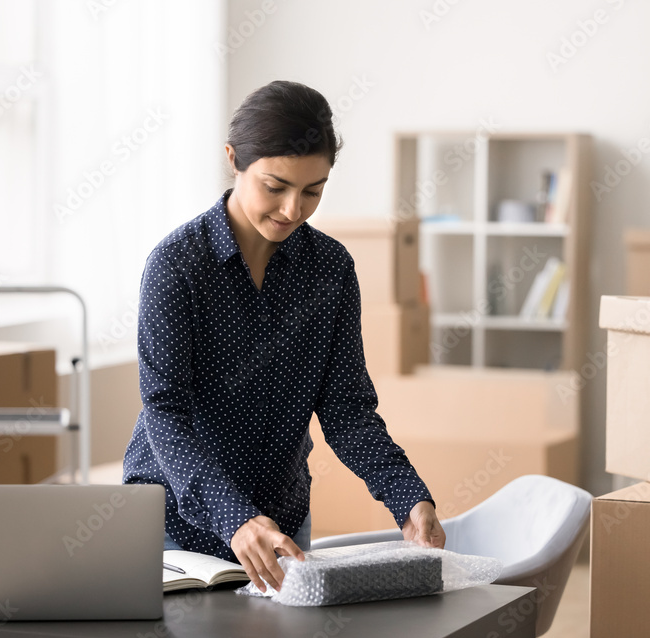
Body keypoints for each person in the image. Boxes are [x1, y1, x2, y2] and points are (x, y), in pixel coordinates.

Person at [123, 80, 445, 593]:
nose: (293, 209)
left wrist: (407, 496)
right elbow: (165, 411)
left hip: (282, 523)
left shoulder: (331, 270)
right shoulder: (176, 266)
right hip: (173, 527)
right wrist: (234, 518)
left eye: (313, 191)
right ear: (234, 160)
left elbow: (346, 409)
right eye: (275, 187)